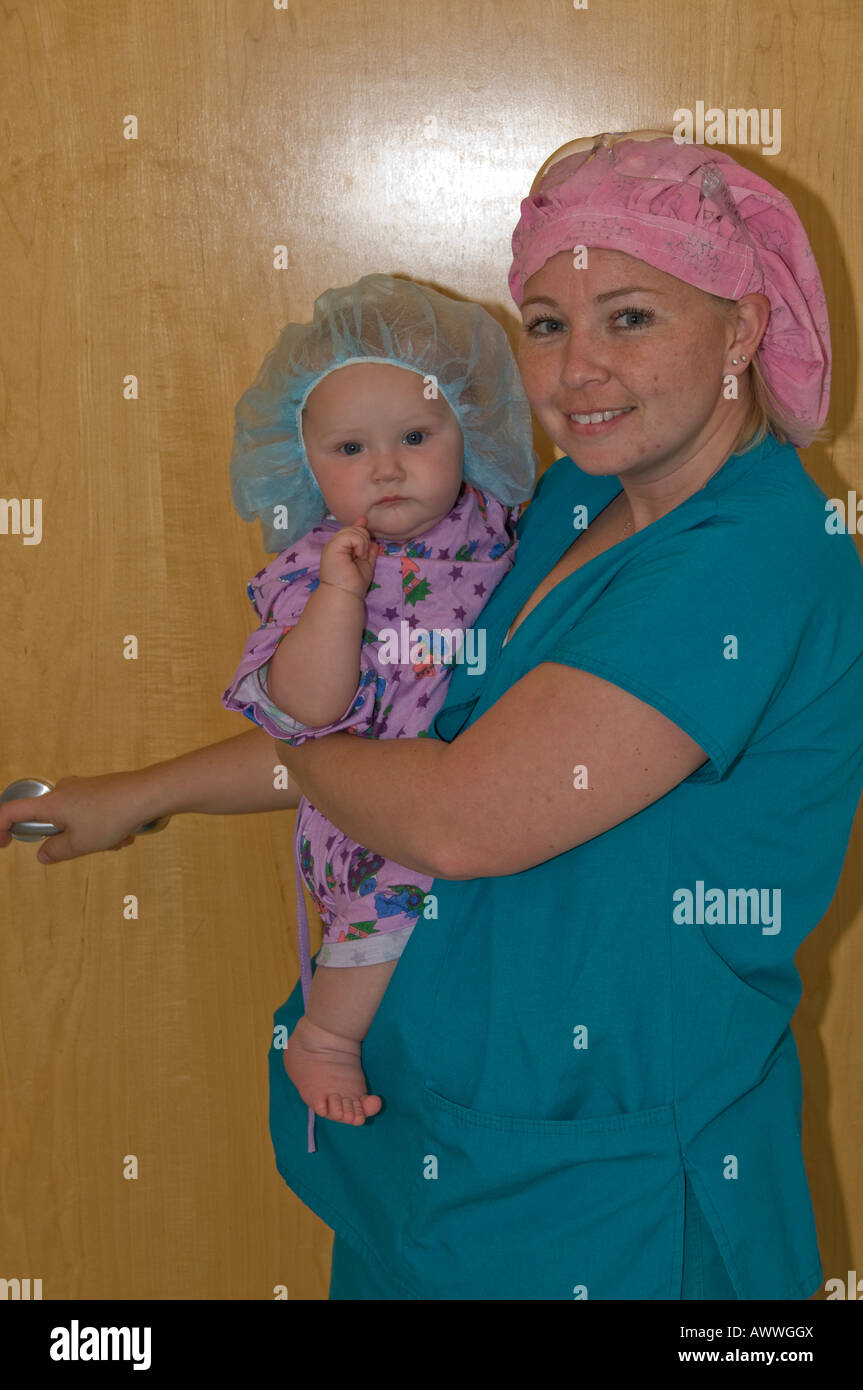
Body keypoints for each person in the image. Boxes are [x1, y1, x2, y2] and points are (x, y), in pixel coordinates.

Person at [2, 131, 861, 1301]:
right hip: (444, 1148)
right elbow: (395, 732)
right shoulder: (570, 503)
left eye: (629, 318)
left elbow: (453, 815)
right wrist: (131, 794)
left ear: (741, 329)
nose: (575, 373)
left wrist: (304, 743)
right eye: (548, 324)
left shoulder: (747, 561)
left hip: (611, 1192)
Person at [218, 273, 536, 1152]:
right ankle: (324, 1033)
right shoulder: (315, 564)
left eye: (416, 436)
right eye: (349, 450)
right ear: (304, 464)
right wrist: (337, 599)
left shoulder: (501, 528)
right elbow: (303, 712)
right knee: (411, 882)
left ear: (469, 431)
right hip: (373, 821)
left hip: (471, 795)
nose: (386, 467)